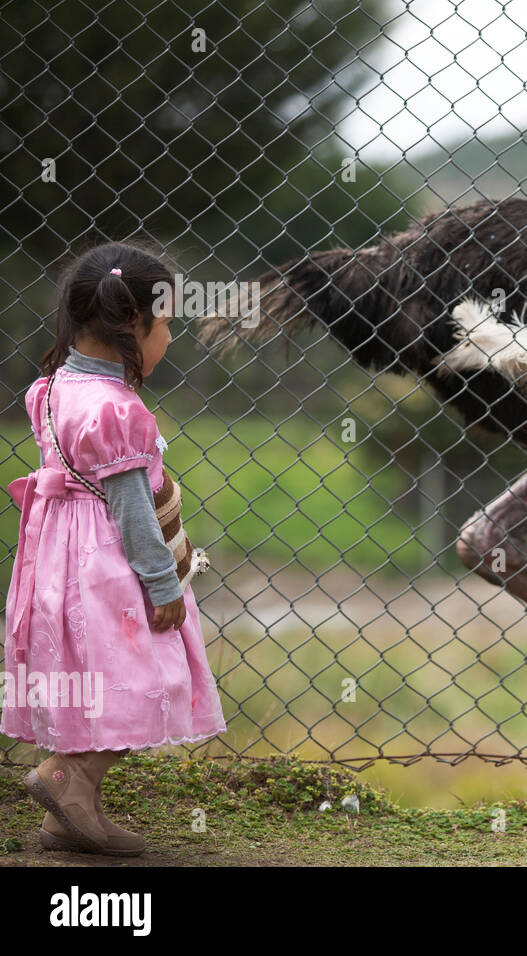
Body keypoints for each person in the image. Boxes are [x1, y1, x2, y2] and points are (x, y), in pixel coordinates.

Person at [4, 242, 227, 855]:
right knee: (141, 677)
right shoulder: (116, 410)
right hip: (108, 564)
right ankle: (65, 781)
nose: (170, 340)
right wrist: (162, 585)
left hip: (58, 558)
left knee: (90, 678)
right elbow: (131, 511)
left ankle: (67, 818)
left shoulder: (53, 388)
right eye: (168, 326)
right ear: (134, 325)